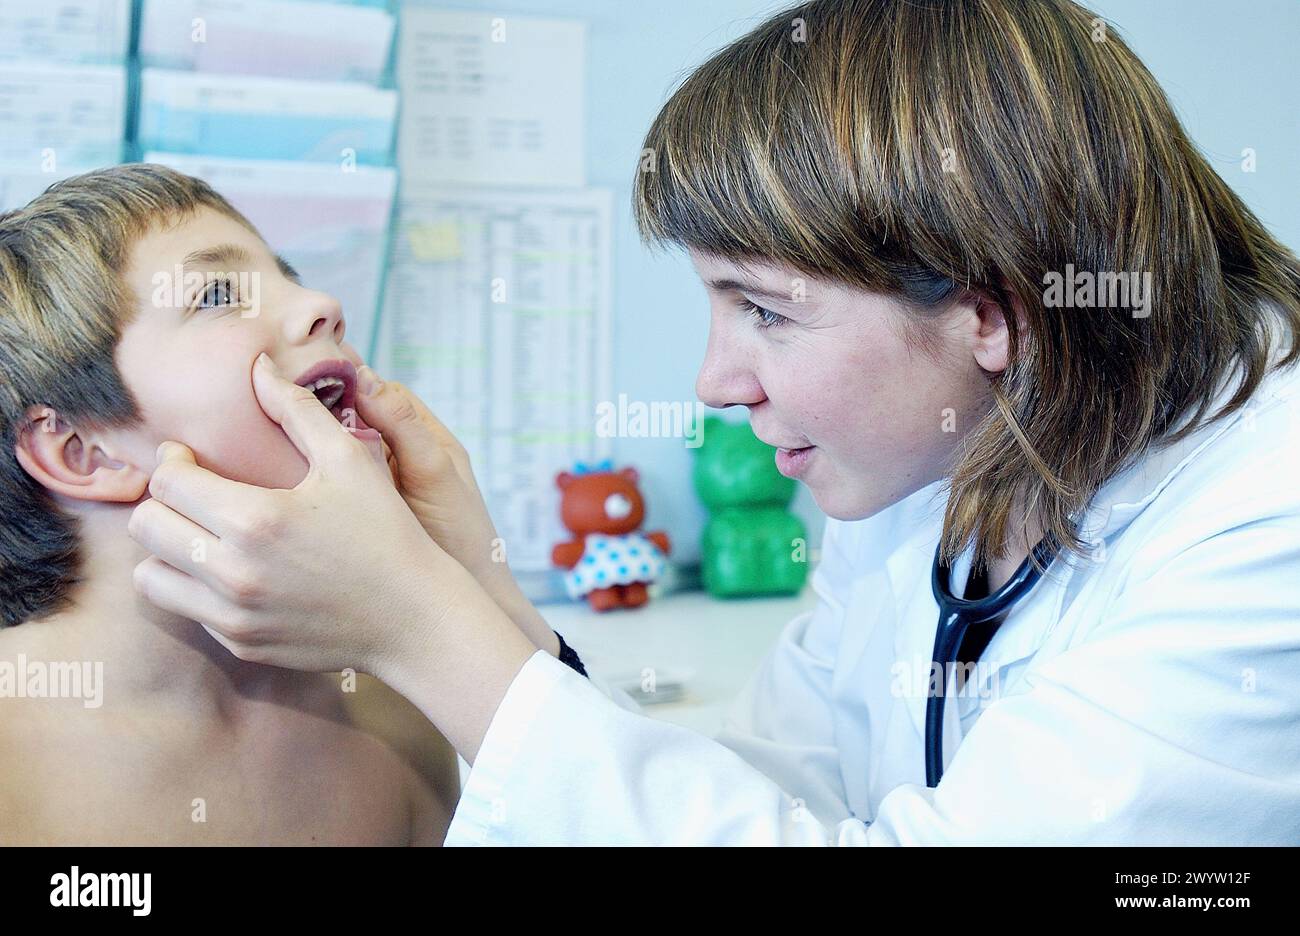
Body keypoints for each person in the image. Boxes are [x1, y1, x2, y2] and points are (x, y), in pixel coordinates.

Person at [129, 0, 1300, 844]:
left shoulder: (1268, 523)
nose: (714, 381)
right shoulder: (941, 458)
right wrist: (470, 588)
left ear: (988, 313)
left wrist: (419, 632)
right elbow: (784, 791)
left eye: (763, 311)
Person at [0, 165, 464, 845]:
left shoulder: (399, 702)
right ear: (80, 451)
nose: (322, 304)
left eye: (288, 275)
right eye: (218, 292)